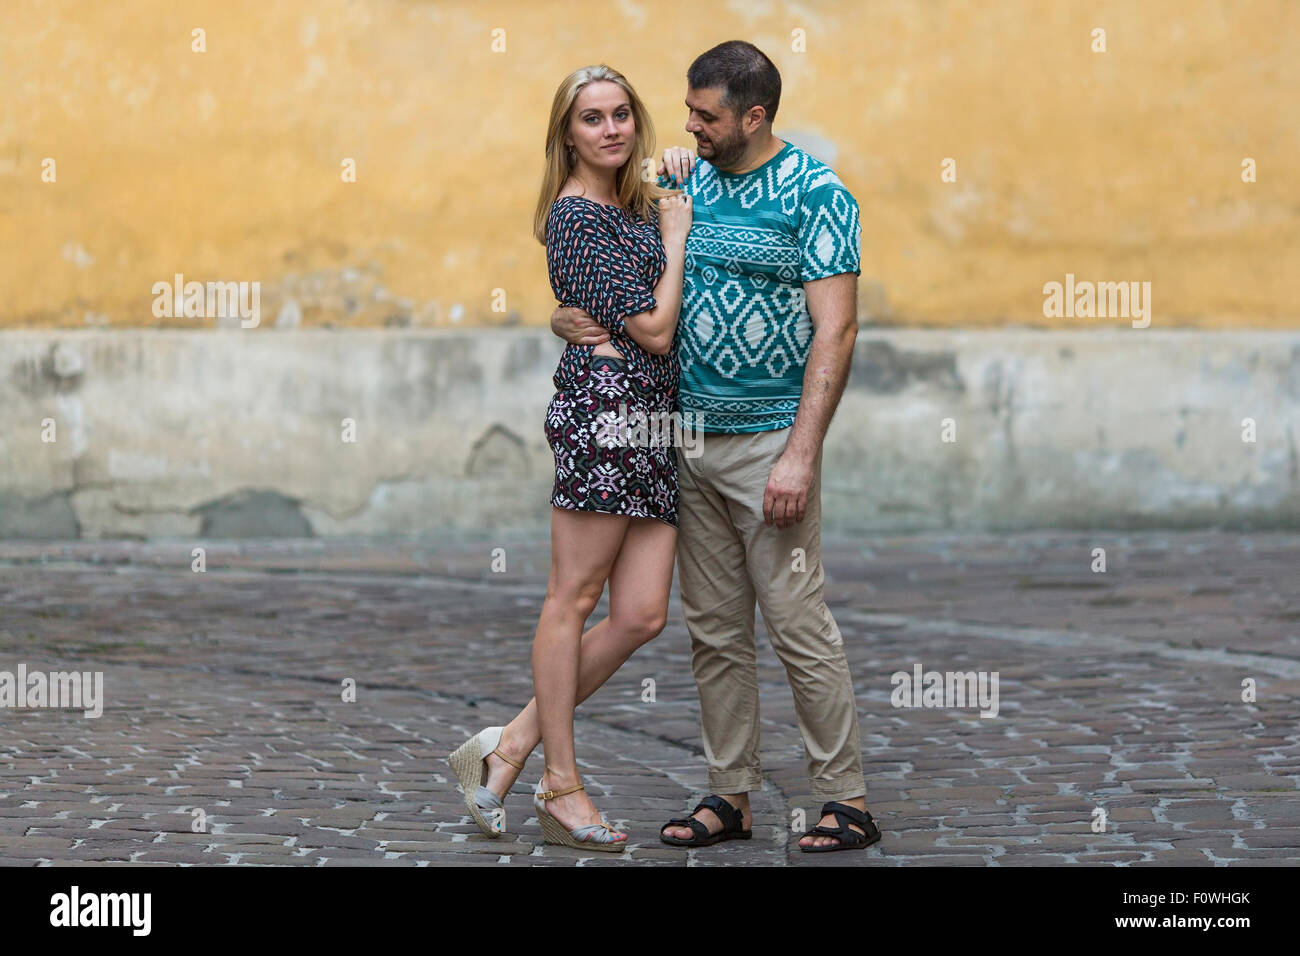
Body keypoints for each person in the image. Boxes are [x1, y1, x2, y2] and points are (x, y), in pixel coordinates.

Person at [550, 41, 881, 852]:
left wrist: (802, 452)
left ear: (754, 117)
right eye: (688, 110)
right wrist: (566, 318)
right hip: (686, 438)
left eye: (706, 115)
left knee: (798, 623)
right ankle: (730, 793)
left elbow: (837, 330)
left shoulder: (816, 194)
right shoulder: (683, 181)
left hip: (771, 442)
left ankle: (846, 800)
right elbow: (618, 273)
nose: (688, 124)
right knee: (715, 631)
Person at [447, 64, 692, 852]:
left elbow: (648, 307)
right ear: (567, 135)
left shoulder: (640, 204)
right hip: (607, 416)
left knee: (644, 613)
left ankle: (511, 744)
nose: (612, 128)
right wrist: (678, 235)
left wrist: (676, 192)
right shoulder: (578, 218)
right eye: (592, 119)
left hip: (657, 420)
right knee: (572, 599)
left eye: (623, 114)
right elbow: (654, 329)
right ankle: (561, 783)